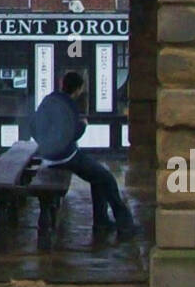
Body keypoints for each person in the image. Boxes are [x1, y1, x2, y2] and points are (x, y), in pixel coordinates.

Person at [32, 72, 139, 241]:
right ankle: (125, 224)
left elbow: (34, 127)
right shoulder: (69, 105)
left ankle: (101, 221)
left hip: (48, 155)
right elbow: (71, 134)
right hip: (66, 157)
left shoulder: (48, 100)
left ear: (62, 84)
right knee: (107, 178)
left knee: (97, 177)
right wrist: (82, 126)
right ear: (79, 89)